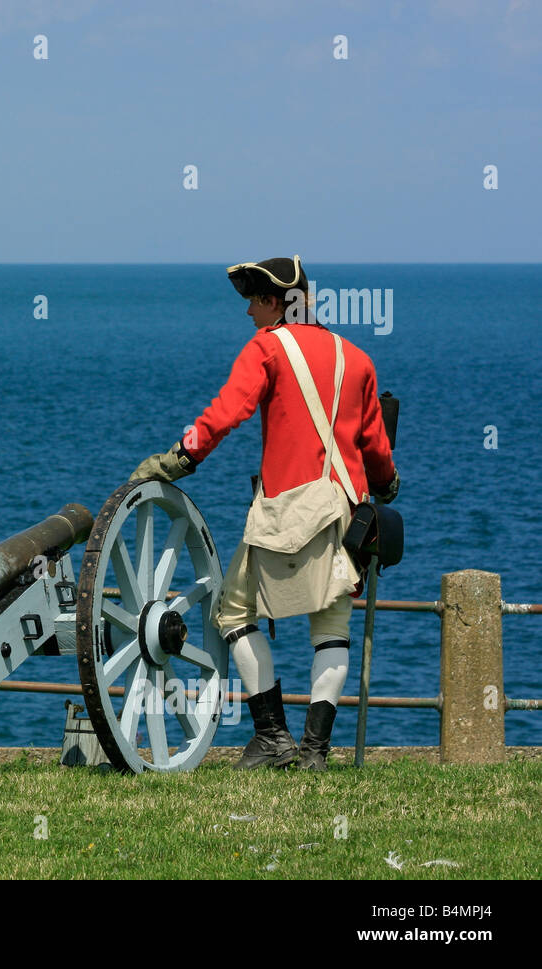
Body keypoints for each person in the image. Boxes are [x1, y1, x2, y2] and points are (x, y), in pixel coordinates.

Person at [131, 256, 398, 770]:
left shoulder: (266, 348)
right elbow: (376, 450)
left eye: (255, 300)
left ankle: (272, 738)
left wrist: (179, 459)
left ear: (276, 302)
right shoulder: (357, 359)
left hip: (286, 511)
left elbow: (224, 412)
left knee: (233, 613)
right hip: (347, 511)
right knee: (332, 627)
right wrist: (387, 485)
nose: (249, 311)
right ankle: (316, 752)